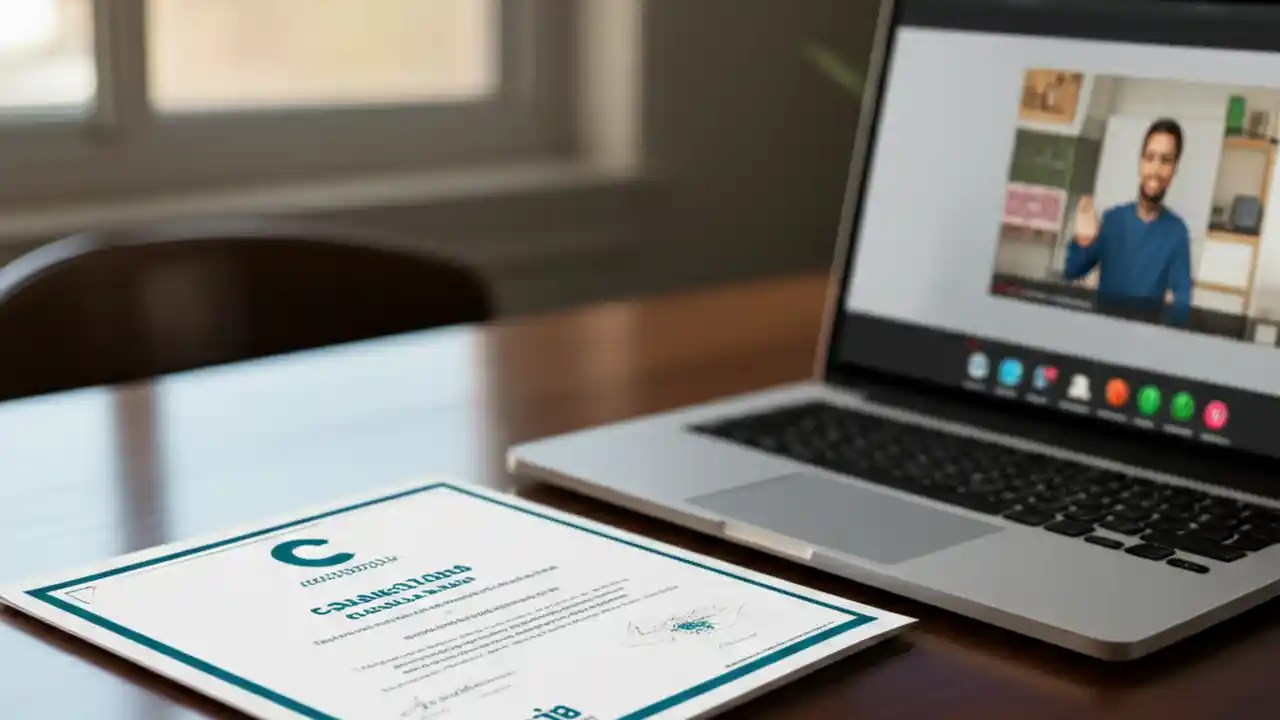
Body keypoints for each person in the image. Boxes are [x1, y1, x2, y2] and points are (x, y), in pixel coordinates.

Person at [1065, 118, 1192, 326]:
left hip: (1142, 345)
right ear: (1141, 162)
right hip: (1101, 334)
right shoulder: (1112, 220)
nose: (1156, 169)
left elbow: (1182, 305)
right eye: (1150, 157)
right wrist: (1082, 240)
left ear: (1174, 169)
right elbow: (1072, 271)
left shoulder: (1177, 233)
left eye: (1166, 160)